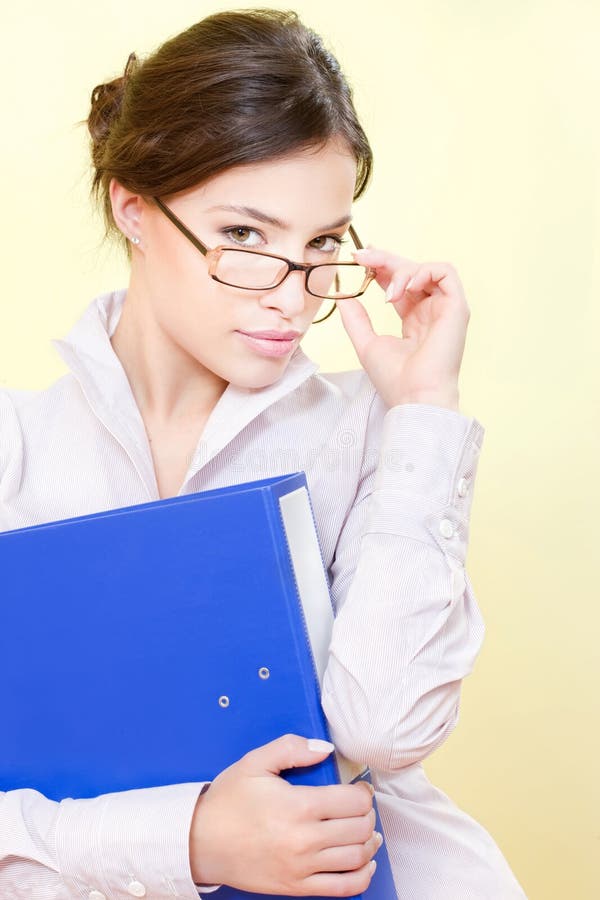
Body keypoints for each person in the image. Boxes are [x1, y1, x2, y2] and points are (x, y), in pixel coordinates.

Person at [0, 8, 527, 899]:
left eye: (320, 245)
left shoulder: (371, 429)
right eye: (245, 237)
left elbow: (384, 733)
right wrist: (190, 840)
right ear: (134, 206)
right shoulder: (16, 448)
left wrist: (426, 414)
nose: (290, 297)